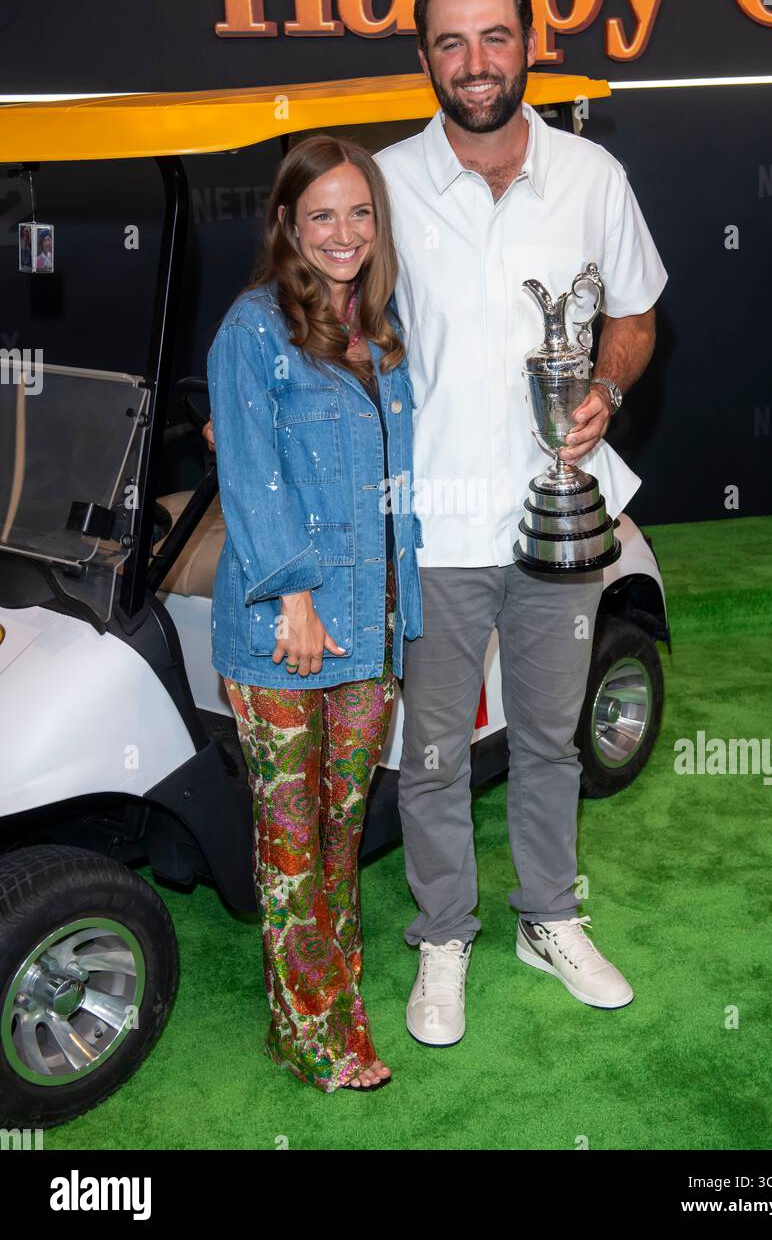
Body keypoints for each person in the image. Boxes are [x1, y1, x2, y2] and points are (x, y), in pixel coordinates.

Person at [372, 0, 668, 1045]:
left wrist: (604, 386)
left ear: (525, 46)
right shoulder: (384, 183)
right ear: (423, 61)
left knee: (547, 735)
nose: (474, 63)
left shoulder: (590, 174)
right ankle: (441, 933)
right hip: (436, 516)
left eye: (492, 37)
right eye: (450, 43)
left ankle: (547, 914)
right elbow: (338, 322)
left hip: (562, 511)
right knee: (436, 749)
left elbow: (633, 313)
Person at [207, 135, 423, 1091]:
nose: (344, 232)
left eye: (360, 212)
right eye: (322, 214)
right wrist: (292, 594)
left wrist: (400, 604)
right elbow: (246, 471)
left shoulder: (382, 331)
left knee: (343, 833)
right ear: (289, 224)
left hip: (367, 626)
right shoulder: (253, 329)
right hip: (282, 632)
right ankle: (316, 1037)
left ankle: (342, 1005)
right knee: (291, 842)